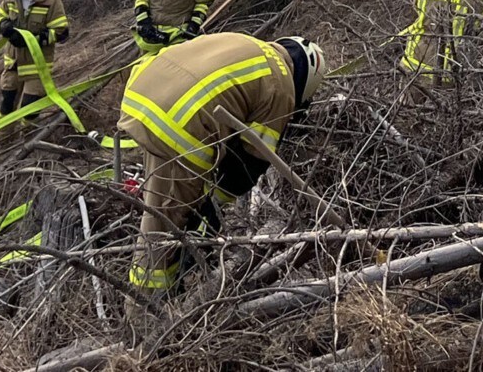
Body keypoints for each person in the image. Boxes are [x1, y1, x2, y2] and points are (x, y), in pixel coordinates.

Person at [115, 32, 328, 291]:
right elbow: (250, 162)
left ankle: (165, 280)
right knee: (169, 220)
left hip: (143, 96)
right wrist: (212, 207)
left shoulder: (251, 45)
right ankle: (148, 300)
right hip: (177, 127)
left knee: (164, 199)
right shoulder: (282, 88)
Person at [0, 0, 70, 116]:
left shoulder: (51, 1)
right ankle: (6, 138)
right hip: (12, 65)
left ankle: (28, 137)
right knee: (6, 108)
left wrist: (33, 40)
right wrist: (4, 26)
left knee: (30, 112)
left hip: (37, 68)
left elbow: (62, 32)